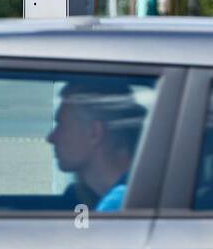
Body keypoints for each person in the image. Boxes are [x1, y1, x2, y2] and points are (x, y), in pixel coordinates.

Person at [47, 79, 145, 211]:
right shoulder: (80, 199)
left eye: (61, 125)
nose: (51, 138)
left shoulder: (121, 204)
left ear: (94, 133)